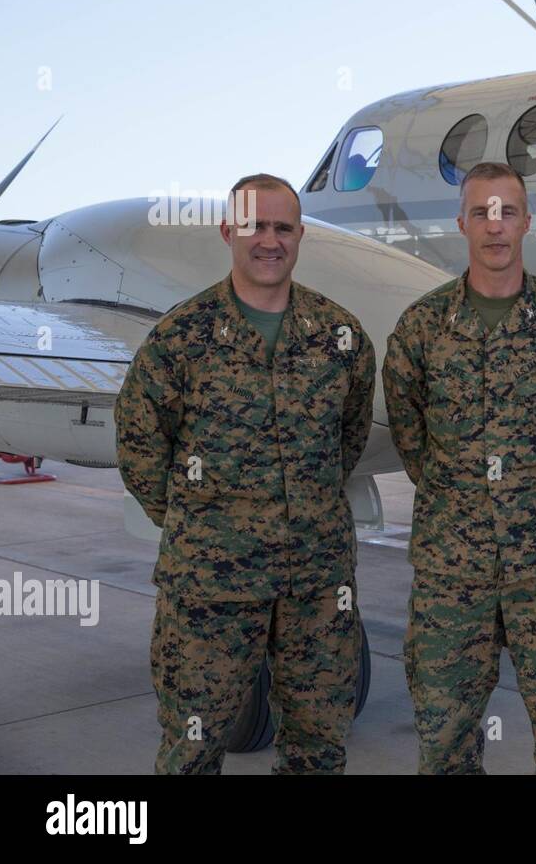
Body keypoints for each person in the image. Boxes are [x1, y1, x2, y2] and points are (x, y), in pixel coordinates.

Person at [116, 173, 376, 773]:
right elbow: (139, 445)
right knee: (194, 745)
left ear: (300, 236)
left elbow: (349, 435)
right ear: (229, 231)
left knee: (319, 744)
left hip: (316, 582)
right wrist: (199, 525)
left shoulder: (338, 336)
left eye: (283, 227)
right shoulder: (181, 338)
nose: (270, 240)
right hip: (210, 585)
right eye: (256, 225)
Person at [382, 161, 536, 774]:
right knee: (443, 741)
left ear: (526, 222)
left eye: (507, 211)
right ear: (462, 223)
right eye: (482, 212)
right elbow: (413, 441)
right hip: (450, 573)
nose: (495, 226)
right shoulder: (421, 328)